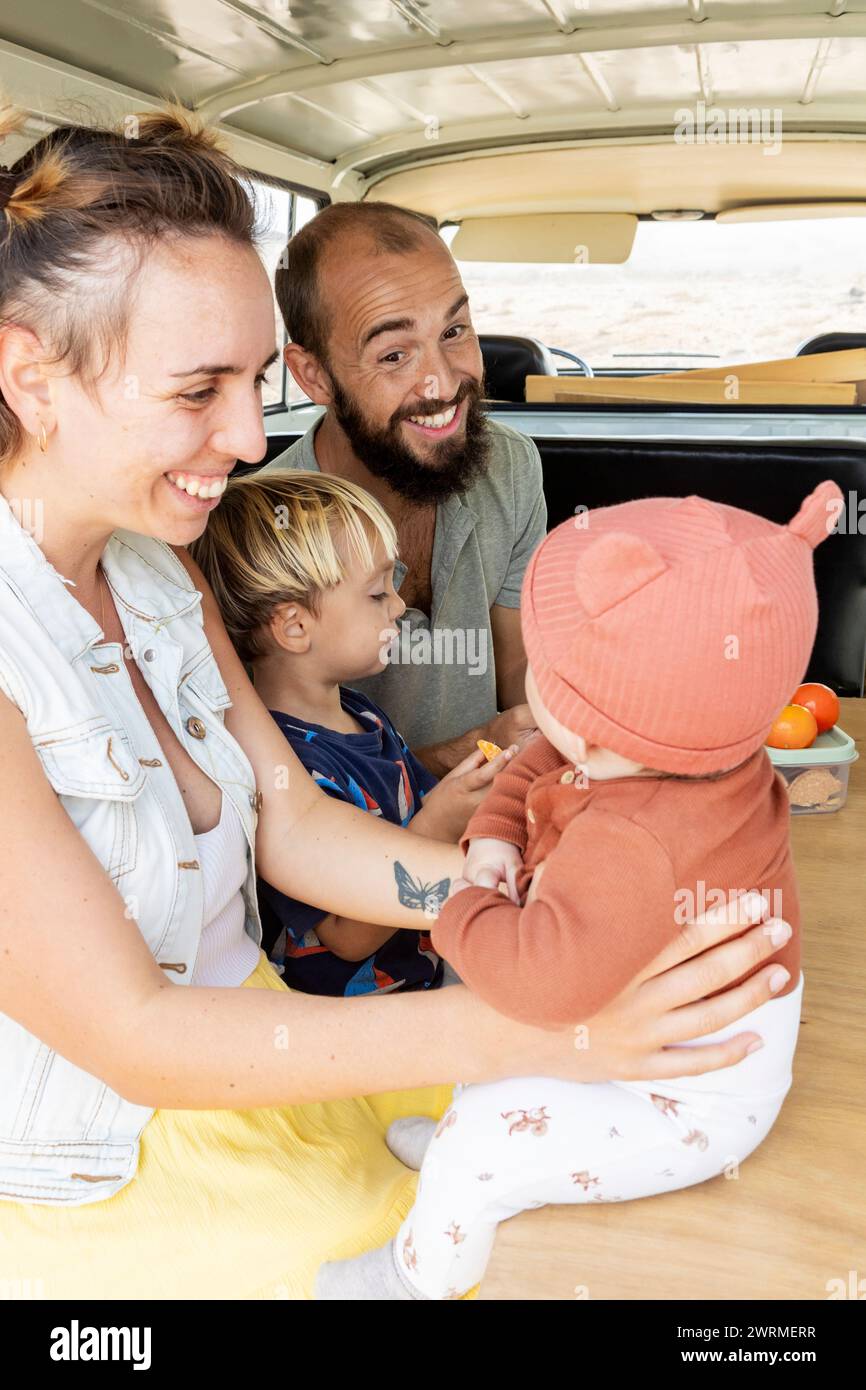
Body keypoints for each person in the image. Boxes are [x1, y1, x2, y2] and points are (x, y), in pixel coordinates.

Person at [0, 100, 794, 1301]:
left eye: (255, 380)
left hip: (268, 1040)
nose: (240, 433)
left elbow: (292, 822)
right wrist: (541, 1025)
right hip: (113, 1147)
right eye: (197, 388)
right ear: (30, 375)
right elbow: (135, 1036)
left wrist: (514, 892)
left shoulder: (158, 568)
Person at [317, 484, 833, 1300]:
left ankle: (416, 1274)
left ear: (594, 722)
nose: (532, 691)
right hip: (624, 1029)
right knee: (482, 1065)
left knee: (484, 1142)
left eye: (547, 672)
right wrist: (492, 834)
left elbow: (542, 983)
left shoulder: (636, 841)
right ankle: (463, 1136)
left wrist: (461, 911)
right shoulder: (685, 743)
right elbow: (538, 763)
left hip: (683, 1098)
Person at [191, 467, 513, 996]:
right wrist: (439, 821)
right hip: (355, 1018)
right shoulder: (282, 764)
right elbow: (347, 938)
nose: (400, 605)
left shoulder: (360, 714)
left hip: (426, 982)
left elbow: (415, 802)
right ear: (295, 627)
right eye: (375, 595)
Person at [264, 200, 544, 775]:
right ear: (312, 375)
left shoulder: (510, 468)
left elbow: (518, 680)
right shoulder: (265, 536)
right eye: (394, 354)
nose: (442, 383)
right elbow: (286, 792)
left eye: (455, 330)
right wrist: (458, 757)